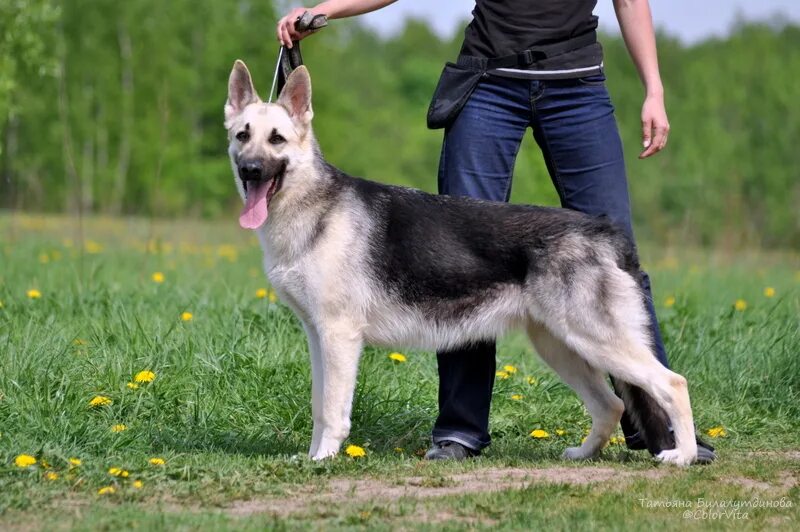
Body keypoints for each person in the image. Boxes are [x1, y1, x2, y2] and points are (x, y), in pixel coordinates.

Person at [276, 0, 715, 463]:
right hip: (488, 82)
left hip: (577, 84)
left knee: (612, 256)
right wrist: (327, 9)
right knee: (452, 253)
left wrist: (654, 88)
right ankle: (460, 432)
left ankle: (660, 429)